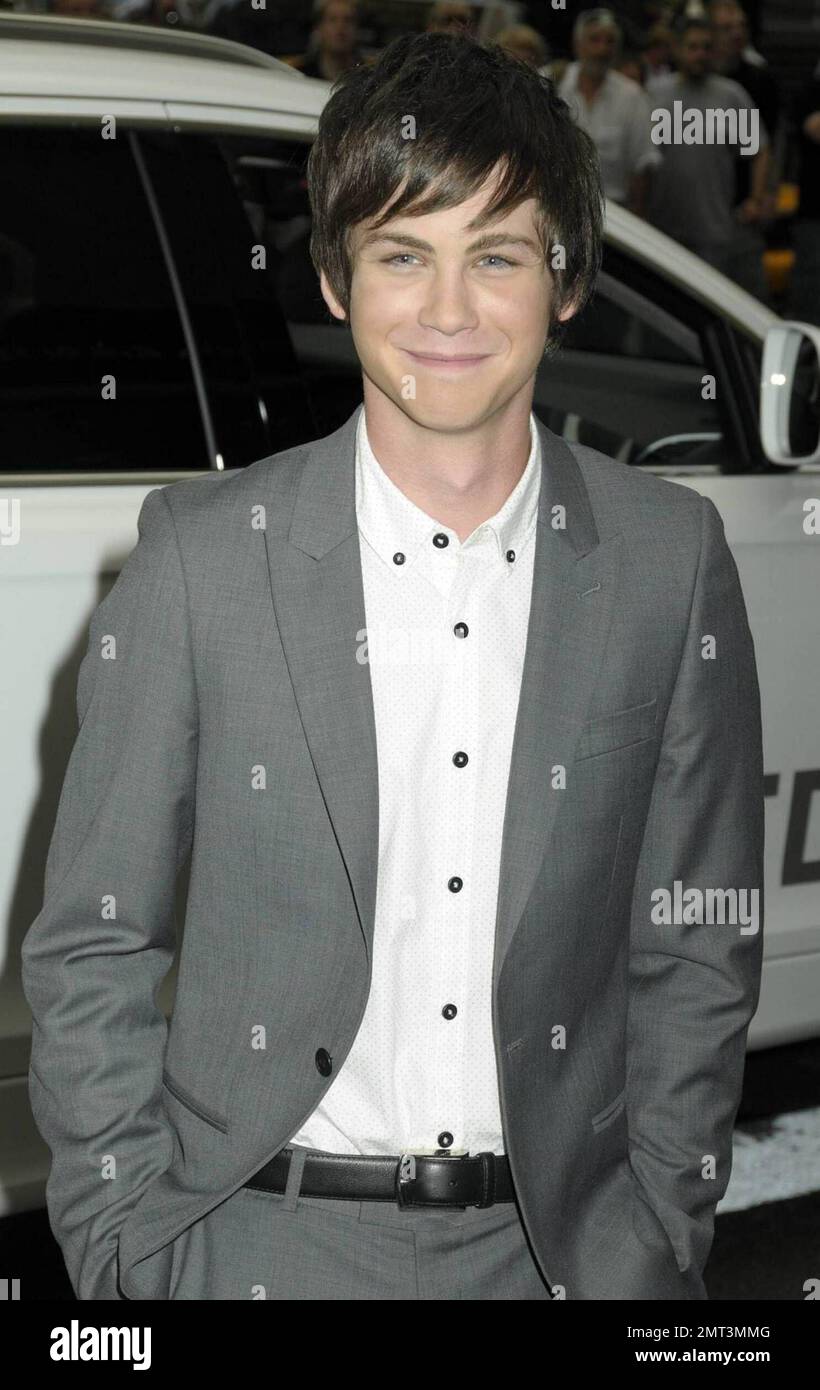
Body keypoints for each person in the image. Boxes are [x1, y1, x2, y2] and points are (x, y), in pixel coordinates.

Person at [22, 29, 764, 1303]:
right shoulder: (204, 560)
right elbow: (96, 941)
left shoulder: (666, 558)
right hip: (253, 1242)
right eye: (401, 256)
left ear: (566, 281)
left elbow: (693, 942)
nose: (449, 312)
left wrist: (658, 1221)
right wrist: (130, 1245)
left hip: (564, 1253)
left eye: (497, 256)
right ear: (333, 279)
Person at [646, 18, 771, 299]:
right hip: (661, 226)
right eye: (692, 47)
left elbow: (760, 149)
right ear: (677, 50)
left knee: (707, 304)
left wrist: (756, 197)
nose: (699, 54)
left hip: (712, 227)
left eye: (706, 48)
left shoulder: (731, 95)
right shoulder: (655, 92)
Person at [554, 8, 662, 217]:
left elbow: (642, 167)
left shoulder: (632, 97)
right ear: (578, 44)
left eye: (610, 42)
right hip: (558, 208)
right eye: (594, 40)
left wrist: (636, 221)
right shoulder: (553, 84)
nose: (602, 49)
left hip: (614, 216)